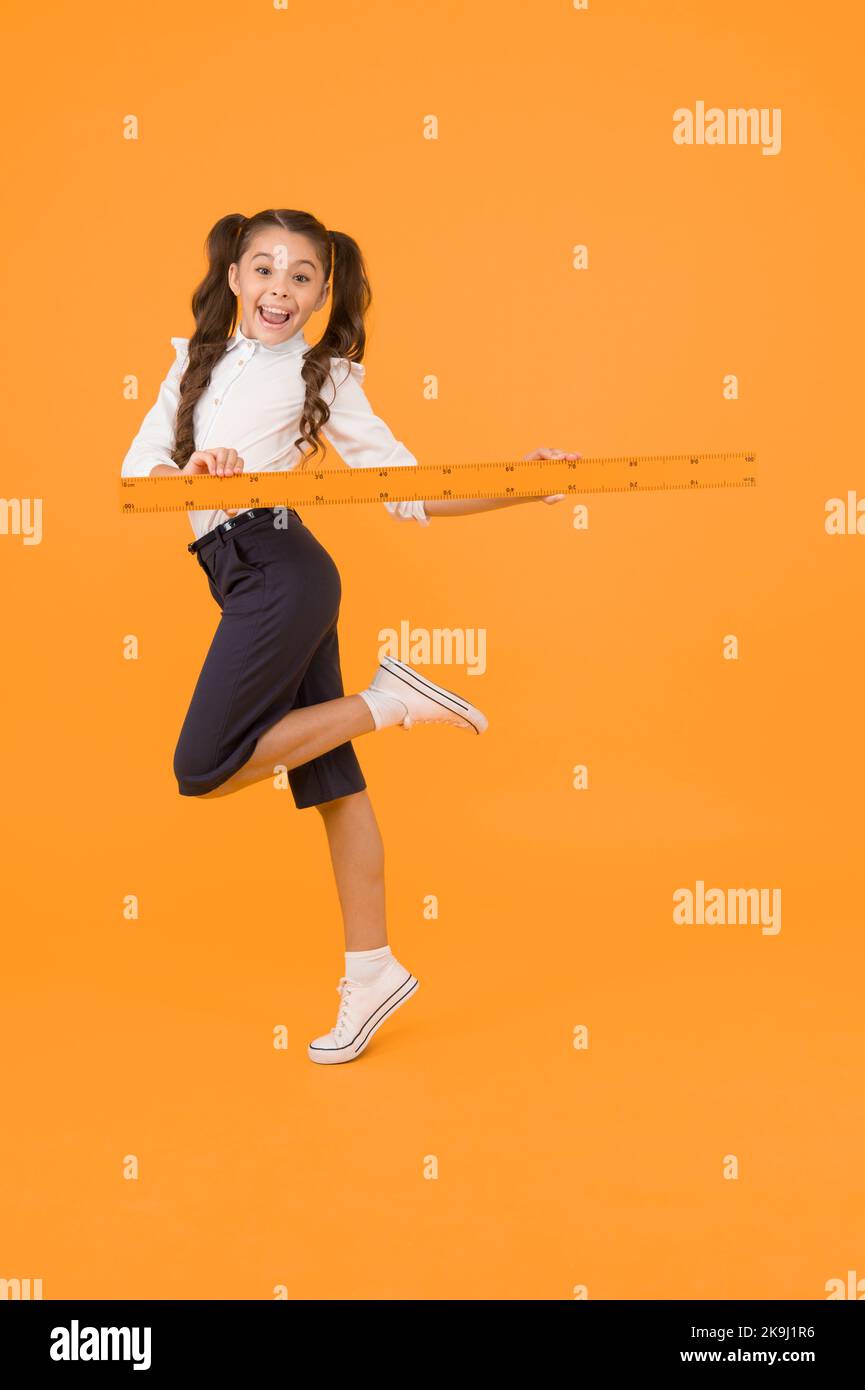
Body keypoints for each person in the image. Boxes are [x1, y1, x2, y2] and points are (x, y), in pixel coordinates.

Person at [121, 207, 579, 1064]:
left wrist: (523, 484)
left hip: (278, 568)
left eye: (302, 277)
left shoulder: (322, 377)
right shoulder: (190, 363)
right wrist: (194, 469)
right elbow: (136, 472)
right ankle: (370, 971)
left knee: (202, 766)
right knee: (330, 782)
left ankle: (388, 700)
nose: (280, 289)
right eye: (264, 269)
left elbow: (407, 488)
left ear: (324, 294)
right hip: (242, 570)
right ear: (234, 279)